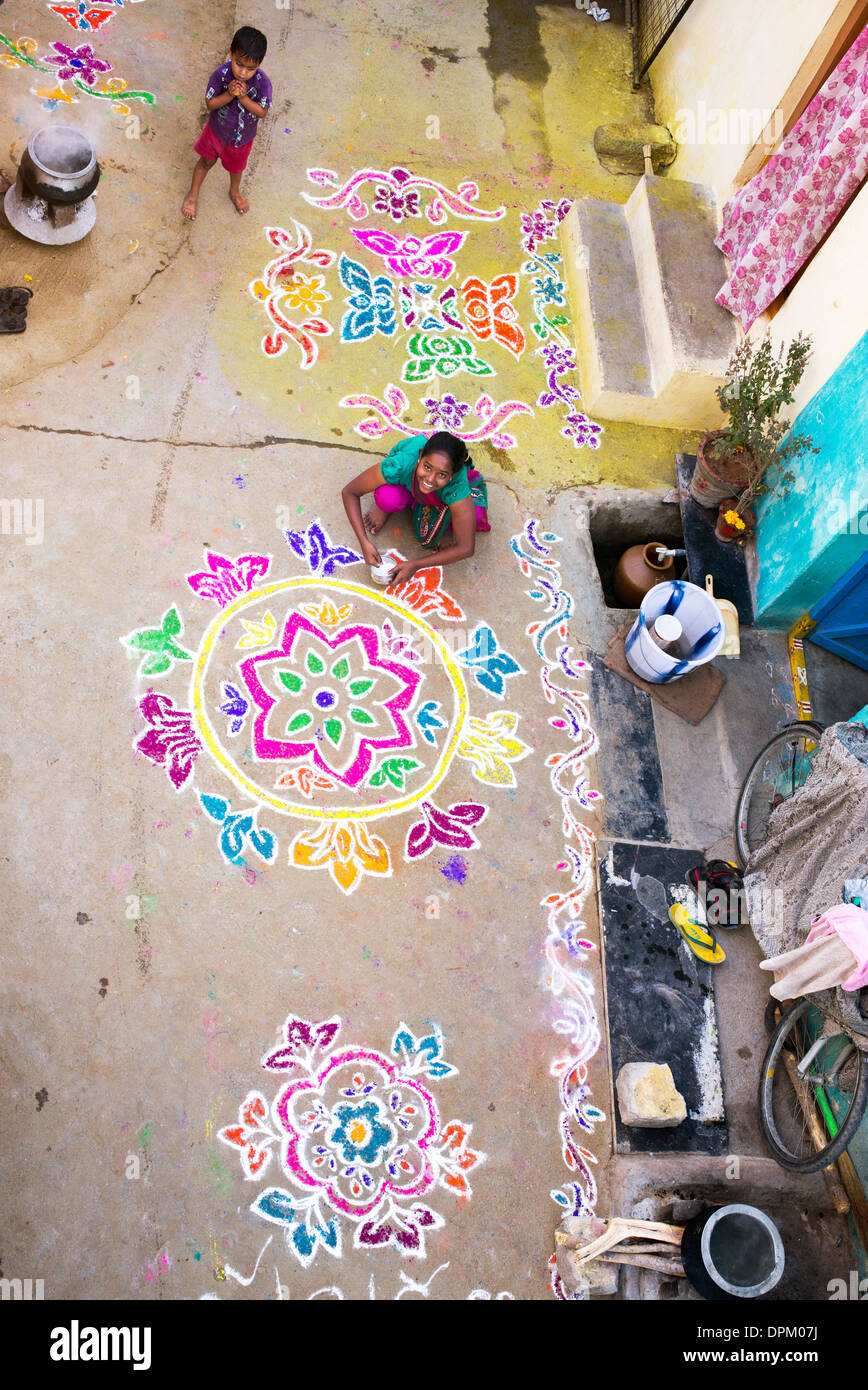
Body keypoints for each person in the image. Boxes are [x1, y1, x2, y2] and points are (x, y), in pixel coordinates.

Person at [342, 432, 490, 585]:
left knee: (474, 517)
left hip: (439, 493)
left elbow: (466, 547)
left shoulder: (456, 486)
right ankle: (388, 506)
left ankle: (447, 520)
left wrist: (416, 565)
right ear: (420, 457)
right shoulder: (401, 463)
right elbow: (350, 492)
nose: (430, 479)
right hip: (408, 480)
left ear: (452, 475)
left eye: (442, 474)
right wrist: (364, 542)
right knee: (387, 498)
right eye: (427, 467)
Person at [182, 26, 272, 220]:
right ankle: (193, 194)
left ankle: (234, 192)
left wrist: (243, 98)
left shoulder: (263, 83)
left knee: (236, 169)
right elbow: (211, 103)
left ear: (259, 63)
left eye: (251, 68)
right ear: (230, 53)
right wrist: (230, 94)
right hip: (215, 132)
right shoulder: (221, 75)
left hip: (242, 139)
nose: (243, 73)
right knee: (205, 162)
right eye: (239, 64)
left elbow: (262, 112)